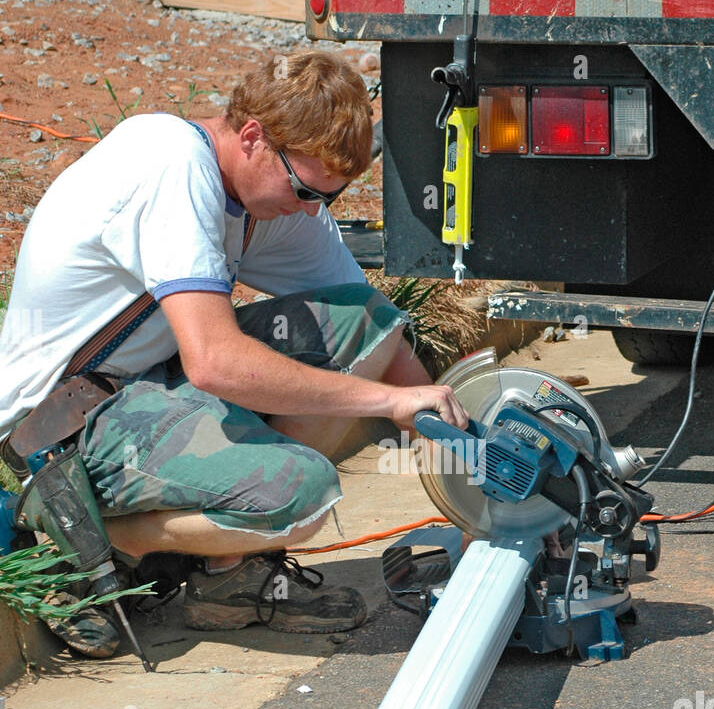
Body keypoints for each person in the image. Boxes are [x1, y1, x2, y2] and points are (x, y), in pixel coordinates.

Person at [0, 50, 468, 655]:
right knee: (304, 496)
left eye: (328, 195)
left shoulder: (274, 190)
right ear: (253, 137)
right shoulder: (170, 165)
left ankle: (230, 579)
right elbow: (215, 362)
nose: (308, 209)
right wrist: (389, 402)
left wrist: (462, 458)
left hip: (146, 386)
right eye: (303, 188)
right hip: (60, 426)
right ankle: (91, 549)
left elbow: (380, 337)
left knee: (367, 319)